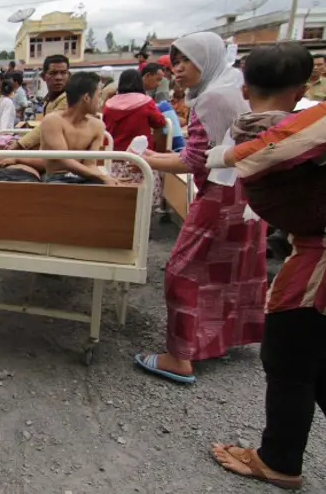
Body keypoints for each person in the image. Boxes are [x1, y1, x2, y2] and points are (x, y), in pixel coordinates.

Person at [204, 43, 324, 491]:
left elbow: (245, 156)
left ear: (245, 85)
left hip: (317, 258)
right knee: (313, 355)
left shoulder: (284, 136)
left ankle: (278, 460)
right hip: (308, 246)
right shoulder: (285, 129)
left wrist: (221, 157)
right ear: (303, 88)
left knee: (290, 356)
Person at [134, 31, 267, 384]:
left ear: (204, 60)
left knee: (183, 270)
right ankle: (221, 339)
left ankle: (179, 357)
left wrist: (147, 161)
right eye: (173, 62)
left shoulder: (212, 98)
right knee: (228, 270)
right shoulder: (233, 82)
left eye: (183, 62)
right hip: (249, 191)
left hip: (223, 193)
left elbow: (196, 160)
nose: (176, 70)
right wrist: (153, 157)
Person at [39, 72, 115, 185]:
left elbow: (90, 164)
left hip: (85, 177)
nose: (101, 102)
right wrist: (101, 178)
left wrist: (108, 181)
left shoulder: (98, 126)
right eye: (99, 96)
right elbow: (64, 159)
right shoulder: (52, 121)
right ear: (86, 98)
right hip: (57, 178)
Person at [103, 69, 166, 153]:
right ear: (140, 83)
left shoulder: (109, 104)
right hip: (141, 155)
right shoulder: (146, 102)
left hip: (113, 154)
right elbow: (160, 122)